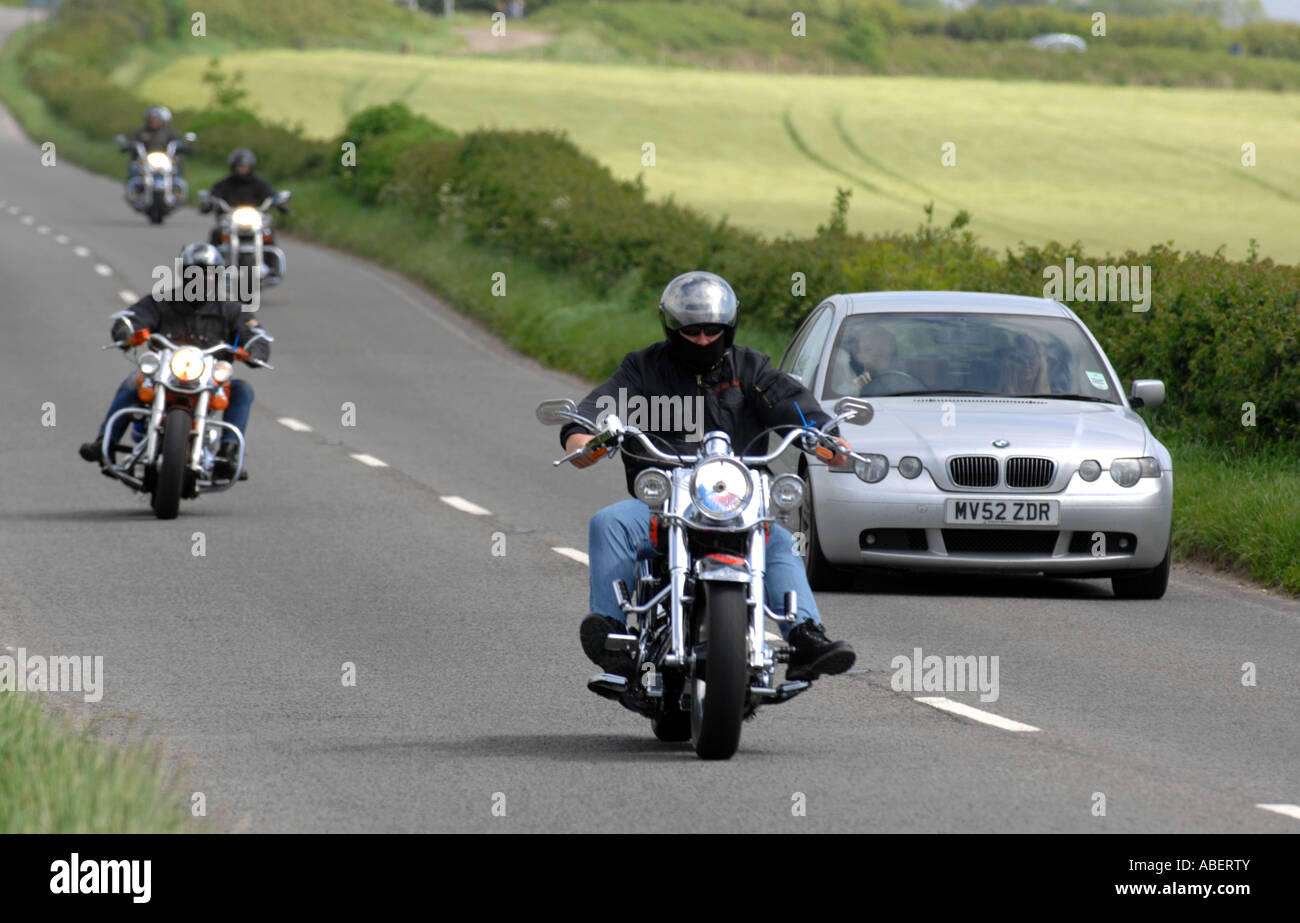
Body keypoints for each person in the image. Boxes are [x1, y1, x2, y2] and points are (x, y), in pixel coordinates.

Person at [559, 270, 857, 683]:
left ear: (728, 327)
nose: (703, 340)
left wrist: (827, 438)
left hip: (738, 507)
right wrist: (582, 436)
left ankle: (805, 636)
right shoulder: (643, 368)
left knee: (782, 542)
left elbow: (797, 408)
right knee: (608, 523)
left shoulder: (751, 370)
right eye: (693, 331)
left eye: (712, 330)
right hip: (662, 507)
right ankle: (613, 637)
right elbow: (598, 405)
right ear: (672, 327)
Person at [78, 243, 271, 479]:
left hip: (210, 379)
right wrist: (127, 332)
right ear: (185, 273)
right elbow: (131, 319)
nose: (202, 278)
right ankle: (105, 442)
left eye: (209, 273)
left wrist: (254, 351)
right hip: (164, 374)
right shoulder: (161, 301)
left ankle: (228, 452)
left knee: (242, 390)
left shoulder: (231, 310)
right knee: (133, 382)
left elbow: (256, 334)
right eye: (196, 272)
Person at [201, 148, 285, 247]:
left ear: (251, 167)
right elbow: (213, 195)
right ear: (233, 167)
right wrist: (209, 202)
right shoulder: (223, 184)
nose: (242, 169)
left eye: (245, 166)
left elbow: (271, 195)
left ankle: (271, 261)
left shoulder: (260, 184)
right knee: (216, 234)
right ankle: (212, 261)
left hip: (255, 223)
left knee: (268, 235)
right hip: (229, 223)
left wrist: (278, 202)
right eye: (239, 166)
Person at [125, 106, 187, 187]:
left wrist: (184, 146)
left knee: (177, 166)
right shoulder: (141, 131)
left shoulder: (169, 132)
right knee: (134, 166)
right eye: (152, 119)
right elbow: (132, 140)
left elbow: (179, 142)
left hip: (165, 160)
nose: (154, 121)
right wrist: (129, 145)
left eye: (157, 119)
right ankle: (134, 187)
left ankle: (176, 189)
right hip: (145, 160)